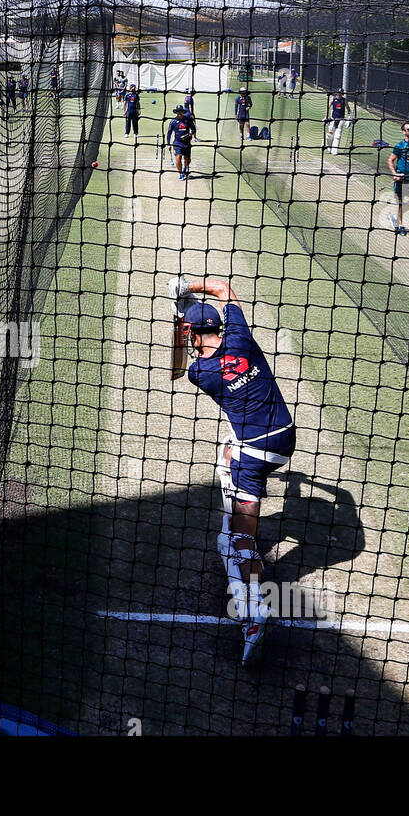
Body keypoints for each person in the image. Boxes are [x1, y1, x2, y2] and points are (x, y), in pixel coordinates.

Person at [166, 276, 296, 664]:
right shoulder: (239, 336)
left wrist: (177, 319)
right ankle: (230, 518)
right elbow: (224, 288)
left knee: (240, 543)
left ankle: (254, 615)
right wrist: (191, 286)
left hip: (256, 454)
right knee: (228, 450)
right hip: (285, 437)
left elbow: (175, 369)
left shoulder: (200, 373)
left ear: (191, 334)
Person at [167, 104, 196, 181]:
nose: (179, 113)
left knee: (187, 160)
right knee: (178, 157)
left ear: (183, 112)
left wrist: (190, 134)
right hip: (177, 143)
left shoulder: (188, 120)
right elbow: (169, 133)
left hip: (187, 144)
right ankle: (181, 174)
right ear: (176, 112)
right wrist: (168, 144)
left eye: (181, 111)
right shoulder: (173, 122)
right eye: (178, 112)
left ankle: (184, 169)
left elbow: (194, 129)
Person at [325, 88, 349, 154]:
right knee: (329, 135)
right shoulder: (333, 99)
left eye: (340, 93)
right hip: (333, 119)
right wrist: (326, 117)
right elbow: (328, 107)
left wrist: (348, 119)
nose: (339, 95)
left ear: (342, 94)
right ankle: (329, 147)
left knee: (337, 135)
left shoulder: (344, 100)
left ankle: (335, 150)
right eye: (338, 93)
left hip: (341, 119)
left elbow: (349, 111)